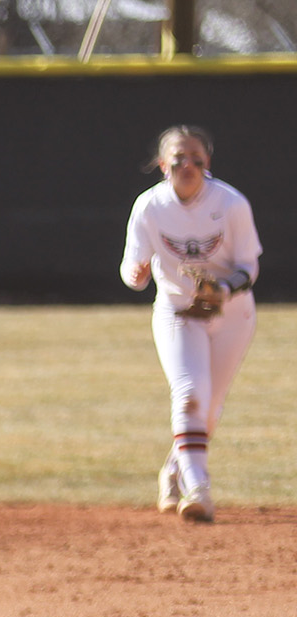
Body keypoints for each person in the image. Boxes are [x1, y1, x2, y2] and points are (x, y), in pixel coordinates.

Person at [120, 124, 262, 523]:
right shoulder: (150, 207)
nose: (188, 164)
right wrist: (137, 273)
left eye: (195, 157)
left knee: (210, 409)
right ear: (163, 164)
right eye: (178, 157)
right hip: (178, 310)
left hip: (232, 313)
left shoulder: (230, 203)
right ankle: (199, 489)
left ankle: (173, 472)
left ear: (208, 163)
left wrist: (223, 288)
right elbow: (131, 267)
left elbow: (249, 265)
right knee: (189, 395)